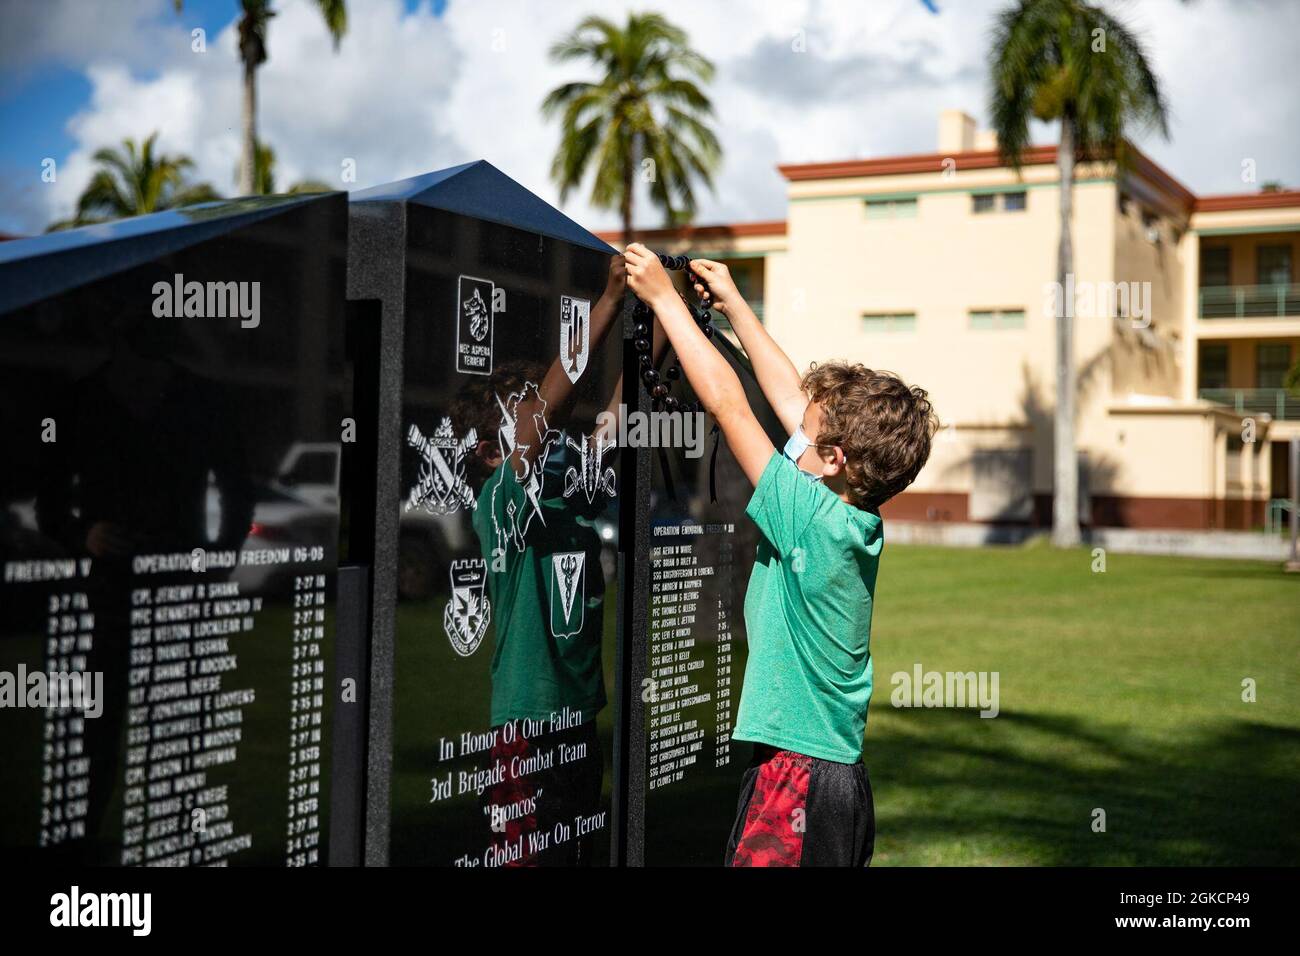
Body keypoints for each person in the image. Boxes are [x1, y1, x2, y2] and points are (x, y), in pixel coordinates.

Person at [623, 243, 937, 867]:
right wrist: (736, 303)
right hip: (834, 781)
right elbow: (794, 400)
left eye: (807, 433)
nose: (794, 426)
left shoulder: (808, 517)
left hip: (800, 779)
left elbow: (729, 403)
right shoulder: (851, 513)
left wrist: (663, 299)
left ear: (834, 460)